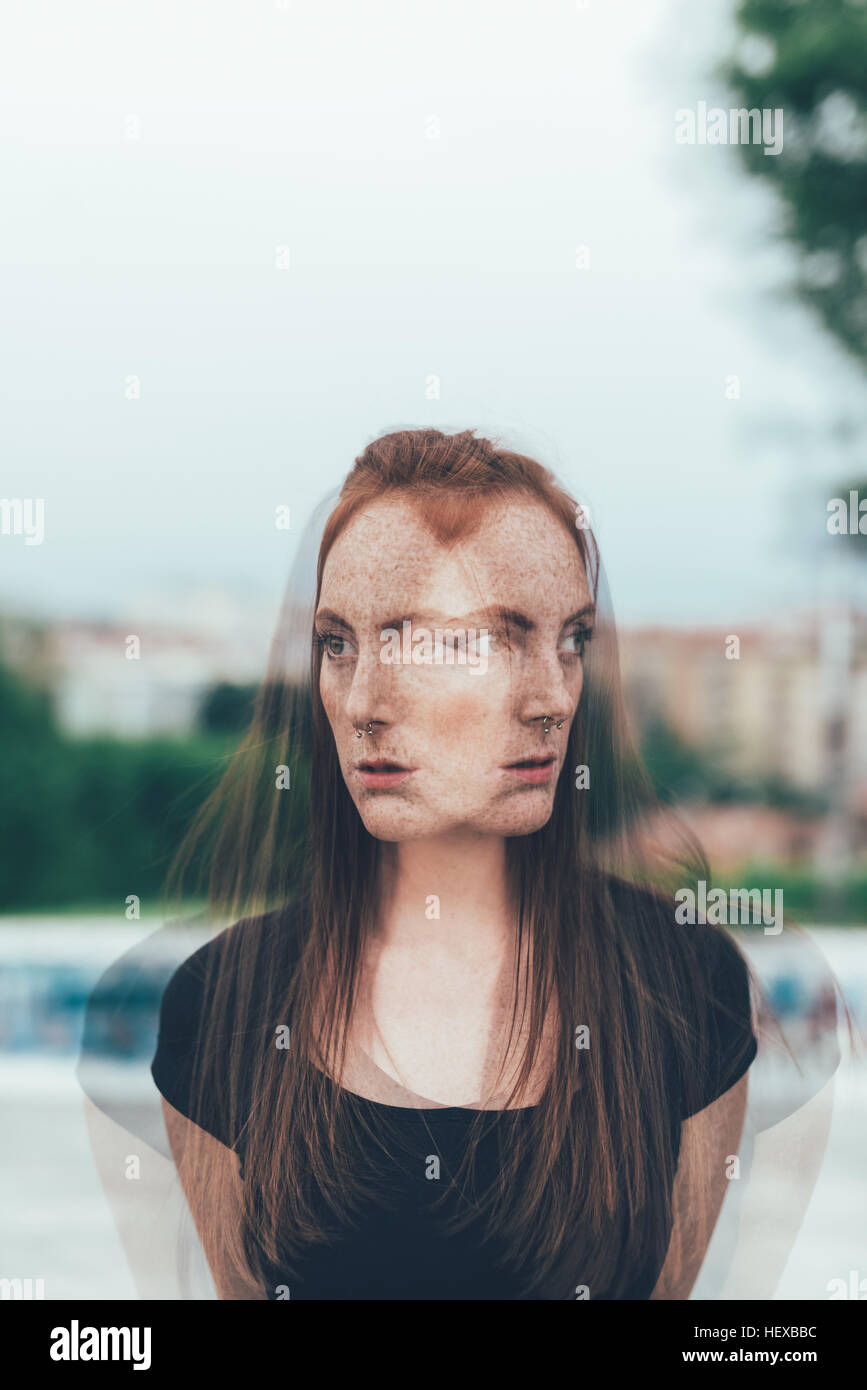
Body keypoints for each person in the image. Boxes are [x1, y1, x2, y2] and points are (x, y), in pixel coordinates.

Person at [145, 427, 764, 1300]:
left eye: (567, 639)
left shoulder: (683, 983)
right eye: (339, 643)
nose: (551, 700)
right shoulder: (220, 1005)